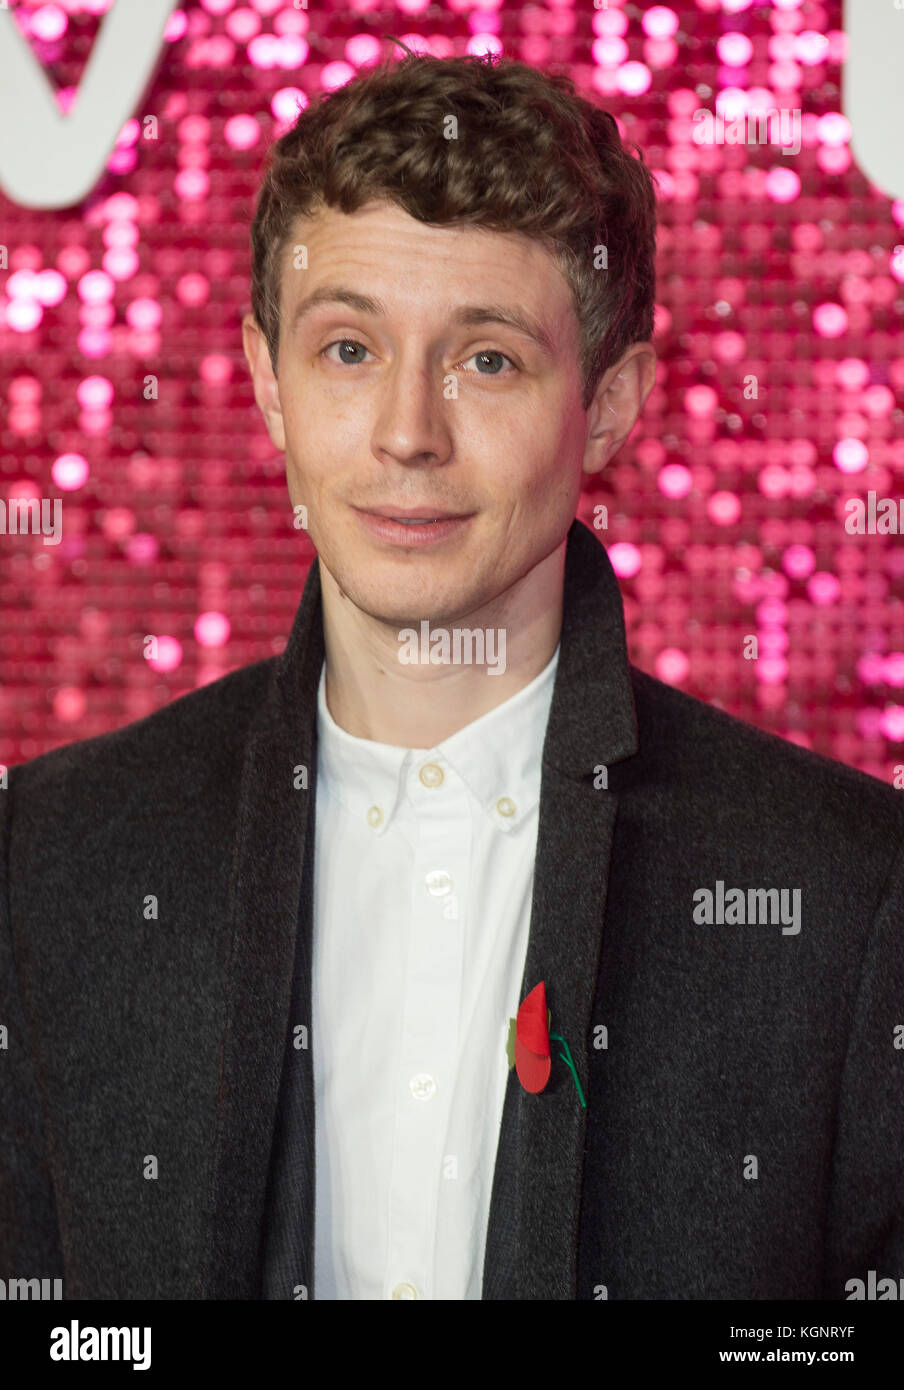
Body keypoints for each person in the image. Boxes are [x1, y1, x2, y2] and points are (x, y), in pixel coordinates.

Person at [2, 52, 902, 1303]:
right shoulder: (53, 857)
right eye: (350, 348)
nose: (407, 432)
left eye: (486, 360)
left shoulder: (849, 892)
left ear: (607, 406)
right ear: (267, 382)